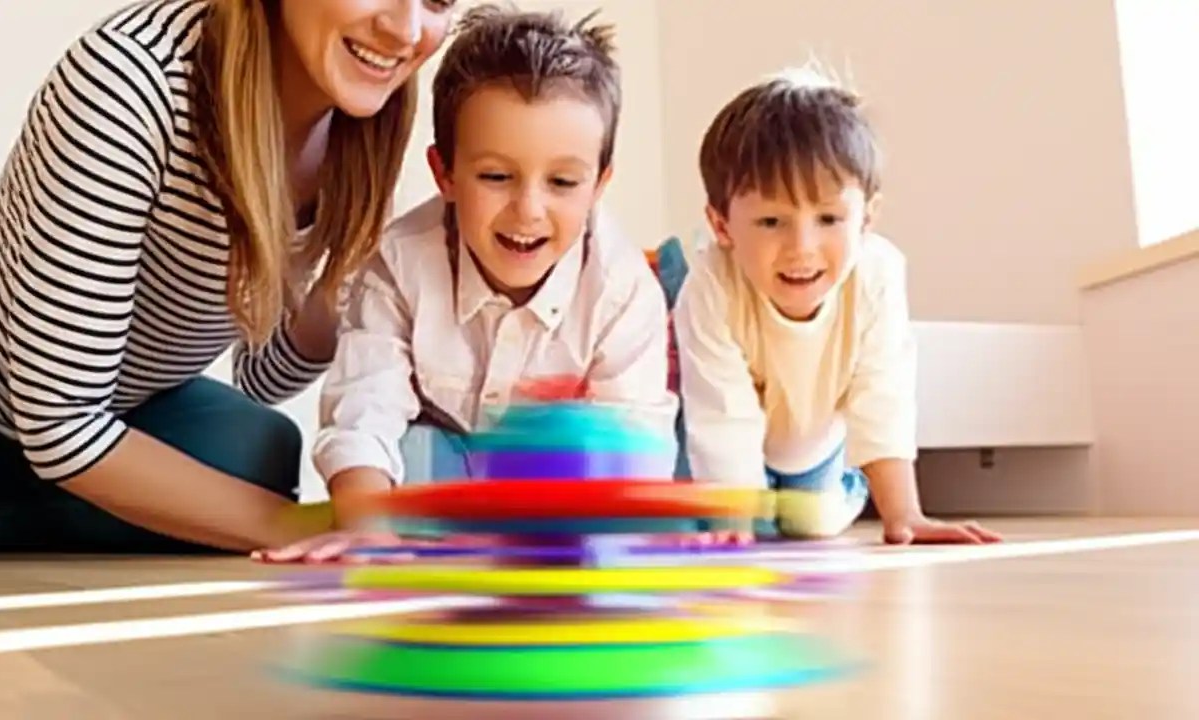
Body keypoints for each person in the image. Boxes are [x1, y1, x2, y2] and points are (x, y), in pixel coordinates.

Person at [0, 0, 457, 554]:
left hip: (103, 407)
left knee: (257, 454)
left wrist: (362, 277)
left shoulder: (362, 124)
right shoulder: (127, 84)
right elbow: (61, 420)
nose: (406, 29)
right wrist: (309, 527)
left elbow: (263, 375)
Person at [260, 5, 678, 563]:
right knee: (403, 453)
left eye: (562, 182)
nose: (527, 210)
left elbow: (637, 448)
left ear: (599, 184)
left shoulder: (623, 290)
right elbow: (365, 406)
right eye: (496, 177)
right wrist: (366, 526)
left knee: (600, 457)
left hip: (562, 494)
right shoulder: (401, 261)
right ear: (446, 175)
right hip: (440, 478)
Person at [673, 67, 1002, 545]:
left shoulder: (877, 275)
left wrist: (904, 513)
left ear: (866, 218)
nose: (801, 247)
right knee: (732, 521)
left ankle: (849, 482)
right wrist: (733, 525)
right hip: (733, 437)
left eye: (829, 218)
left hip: (814, 446)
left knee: (811, 523)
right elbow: (722, 414)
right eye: (770, 221)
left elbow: (882, 391)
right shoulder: (710, 286)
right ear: (721, 226)